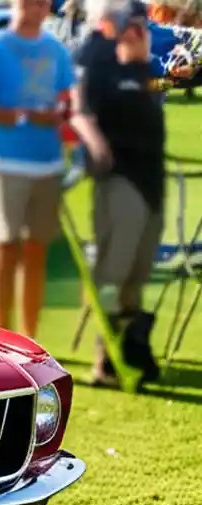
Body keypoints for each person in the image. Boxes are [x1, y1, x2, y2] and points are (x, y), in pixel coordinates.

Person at [0, 0, 76, 339]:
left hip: (48, 163)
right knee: (5, 246)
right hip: (5, 162)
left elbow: (67, 100)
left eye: (42, 3)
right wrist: (25, 116)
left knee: (36, 249)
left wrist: (62, 116)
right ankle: (0, 335)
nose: (36, 8)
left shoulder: (56, 50)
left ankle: (29, 337)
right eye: (29, 2)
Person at [70, 0, 165, 385]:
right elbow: (80, 109)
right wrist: (94, 143)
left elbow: (151, 99)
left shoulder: (139, 63)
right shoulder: (93, 55)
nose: (141, 27)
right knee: (113, 269)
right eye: (135, 21)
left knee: (138, 273)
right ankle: (103, 355)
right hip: (118, 175)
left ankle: (130, 347)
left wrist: (144, 62)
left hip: (150, 177)